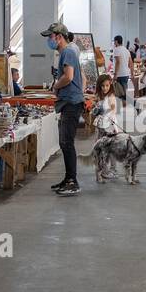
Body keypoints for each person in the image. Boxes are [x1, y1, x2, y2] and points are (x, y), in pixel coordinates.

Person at [43, 21, 85, 196]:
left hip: (70, 103)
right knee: (64, 142)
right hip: (70, 101)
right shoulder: (70, 51)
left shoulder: (67, 51)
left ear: (59, 37)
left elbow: (69, 76)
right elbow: (81, 77)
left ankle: (72, 181)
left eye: (51, 37)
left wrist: (56, 87)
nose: (49, 40)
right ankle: (68, 177)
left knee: (67, 142)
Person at [112, 35, 131, 106]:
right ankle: (125, 106)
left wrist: (115, 74)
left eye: (114, 41)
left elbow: (118, 62)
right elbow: (130, 63)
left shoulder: (116, 49)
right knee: (124, 92)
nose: (114, 43)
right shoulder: (126, 50)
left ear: (116, 41)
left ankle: (132, 105)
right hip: (126, 73)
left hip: (120, 74)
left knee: (119, 92)